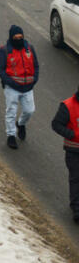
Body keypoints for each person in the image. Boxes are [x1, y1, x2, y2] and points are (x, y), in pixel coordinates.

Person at [0, 25, 39, 149]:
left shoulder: (29, 49)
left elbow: (36, 65)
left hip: (28, 87)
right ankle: (11, 135)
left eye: (21, 37)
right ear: (11, 37)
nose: (19, 39)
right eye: (16, 37)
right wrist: (10, 82)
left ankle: (21, 124)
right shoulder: (4, 51)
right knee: (11, 112)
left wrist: (34, 79)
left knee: (29, 110)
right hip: (12, 88)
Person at [50, 83, 79, 224]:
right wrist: (72, 134)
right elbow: (56, 124)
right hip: (74, 151)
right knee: (76, 178)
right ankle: (77, 209)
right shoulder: (67, 106)